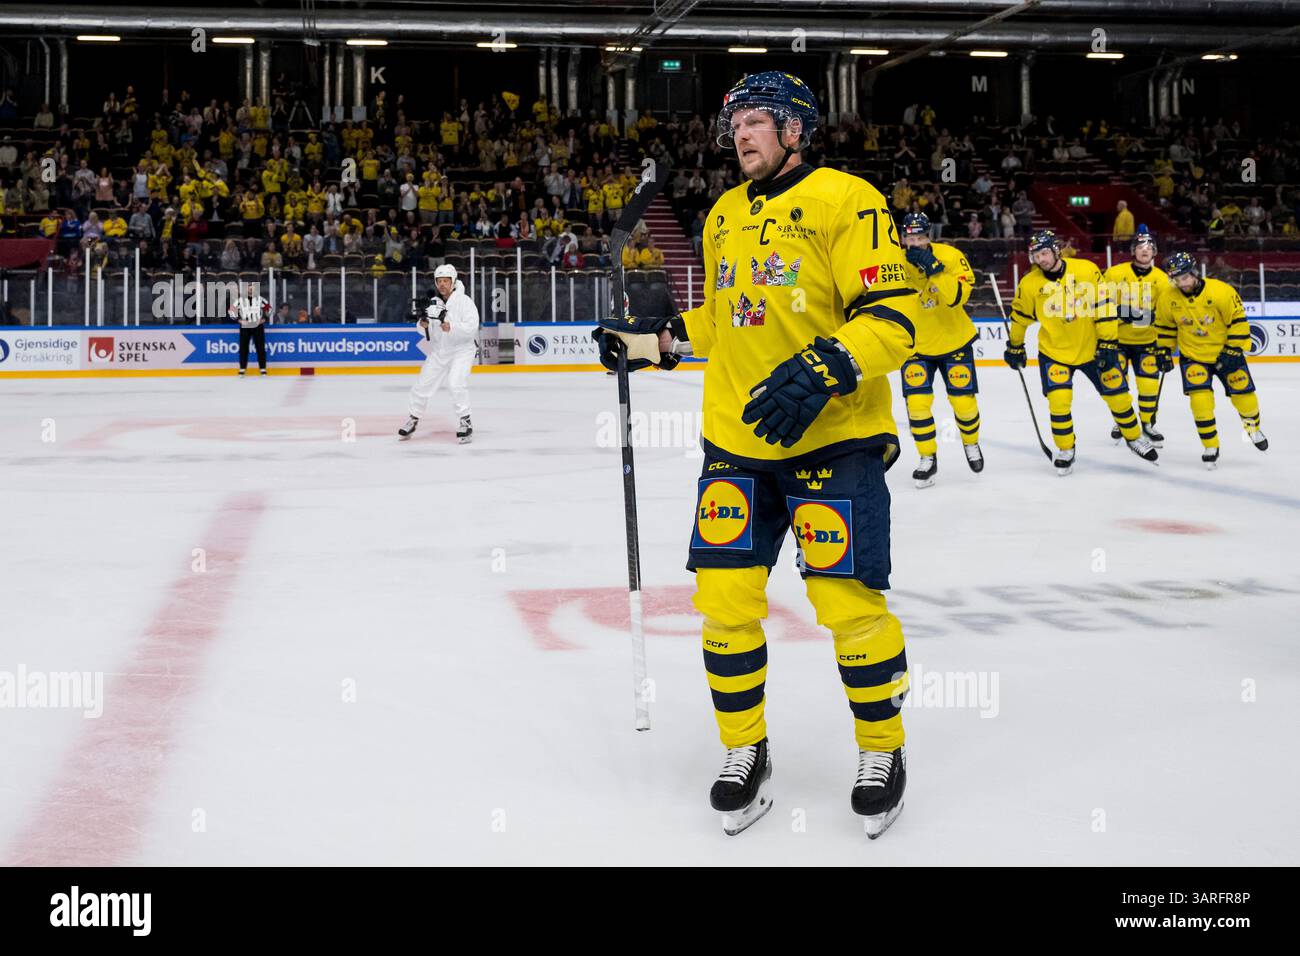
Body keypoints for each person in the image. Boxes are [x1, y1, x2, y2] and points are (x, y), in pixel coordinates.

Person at [593, 71, 916, 839]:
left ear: (797, 130)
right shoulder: (724, 215)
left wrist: (825, 365)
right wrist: (657, 345)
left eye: (757, 121)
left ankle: (882, 750)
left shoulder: (848, 200)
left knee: (847, 606)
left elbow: (896, 318)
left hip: (832, 443)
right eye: (733, 122)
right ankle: (745, 751)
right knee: (724, 606)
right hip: (736, 447)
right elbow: (728, 317)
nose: (740, 134)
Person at [1004, 229, 1157, 474]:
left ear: (1056, 249)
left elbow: (1105, 306)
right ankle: (1065, 448)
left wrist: (1108, 342)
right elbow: (1020, 317)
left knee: (1118, 395)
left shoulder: (1086, 270)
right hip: (1054, 352)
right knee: (1059, 402)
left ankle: (1134, 437)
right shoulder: (1029, 283)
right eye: (1036, 255)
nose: (1041, 259)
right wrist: (1015, 345)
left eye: (1044, 253)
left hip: (1093, 349)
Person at [1155, 252, 1268, 468]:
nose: (1182, 283)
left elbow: (1238, 321)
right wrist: (1164, 351)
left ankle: (1253, 429)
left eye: (1185, 277)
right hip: (1193, 356)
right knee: (1200, 403)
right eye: (1176, 279)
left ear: (1194, 272)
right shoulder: (1168, 298)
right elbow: (1165, 327)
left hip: (1226, 352)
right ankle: (1210, 445)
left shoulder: (1221, 291)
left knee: (1244, 396)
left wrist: (1233, 350)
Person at [895, 212, 982, 487]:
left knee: (964, 405)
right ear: (902, 238)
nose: (914, 243)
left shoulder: (950, 256)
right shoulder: (894, 262)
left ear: (928, 236)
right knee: (917, 407)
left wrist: (935, 269)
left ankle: (971, 443)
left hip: (954, 341)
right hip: (915, 346)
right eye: (909, 238)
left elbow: (958, 298)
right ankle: (927, 458)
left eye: (919, 237)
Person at [398, 264, 479, 444]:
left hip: (462, 350)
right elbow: (422, 328)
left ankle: (465, 420)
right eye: (439, 281)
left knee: (456, 383)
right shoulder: (434, 302)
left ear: (453, 281)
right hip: (440, 351)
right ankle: (413, 418)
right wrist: (422, 325)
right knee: (421, 385)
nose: (442, 284)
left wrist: (452, 327)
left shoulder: (464, 302)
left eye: (446, 281)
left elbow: (472, 327)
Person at [1101, 226, 1167, 445]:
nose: (1145, 250)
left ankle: (1147, 424)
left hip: (1147, 342)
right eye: (1140, 246)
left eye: (1149, 246)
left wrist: (1133, 314)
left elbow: (1166, 314)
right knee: (1117, 385)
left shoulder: (1162, 279)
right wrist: (1123, 314)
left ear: (1155, 251)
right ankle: (1122, 421)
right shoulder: (1114, 273)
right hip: (1116, 341)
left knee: (1148, 386)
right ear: (1133, 251)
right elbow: (1102, 305)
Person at [228, 283, 270, 376]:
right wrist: (239, 320)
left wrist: (264, 319)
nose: (250, 290)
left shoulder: (260, 299)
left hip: (257, 326)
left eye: (252, 288)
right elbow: (231, 310)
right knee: (243, 348)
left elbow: (269, 309)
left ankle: (262, 368)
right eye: (249, 288)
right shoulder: (240, 300)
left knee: (260, 348)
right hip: (245, 326)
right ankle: (242, 368)